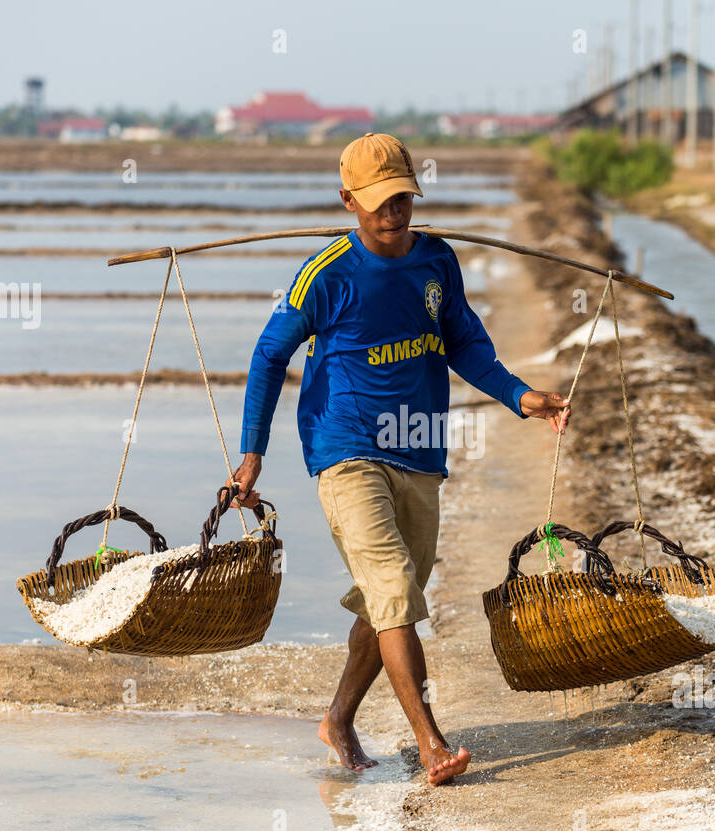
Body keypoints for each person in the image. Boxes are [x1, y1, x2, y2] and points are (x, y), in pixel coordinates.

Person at [229, 132, 570, 785]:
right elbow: (269, 354)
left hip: (420, 451)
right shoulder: (326, 274)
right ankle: (432, 743)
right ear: (348, 201)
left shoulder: (436, 262)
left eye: (403, 198)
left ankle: (337, 718)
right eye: (380, 201)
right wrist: (253, 454)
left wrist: (520, 396)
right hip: (344, 447)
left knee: (387, 600)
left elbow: (464, 343)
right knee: (393, 590)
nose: (394, 213)